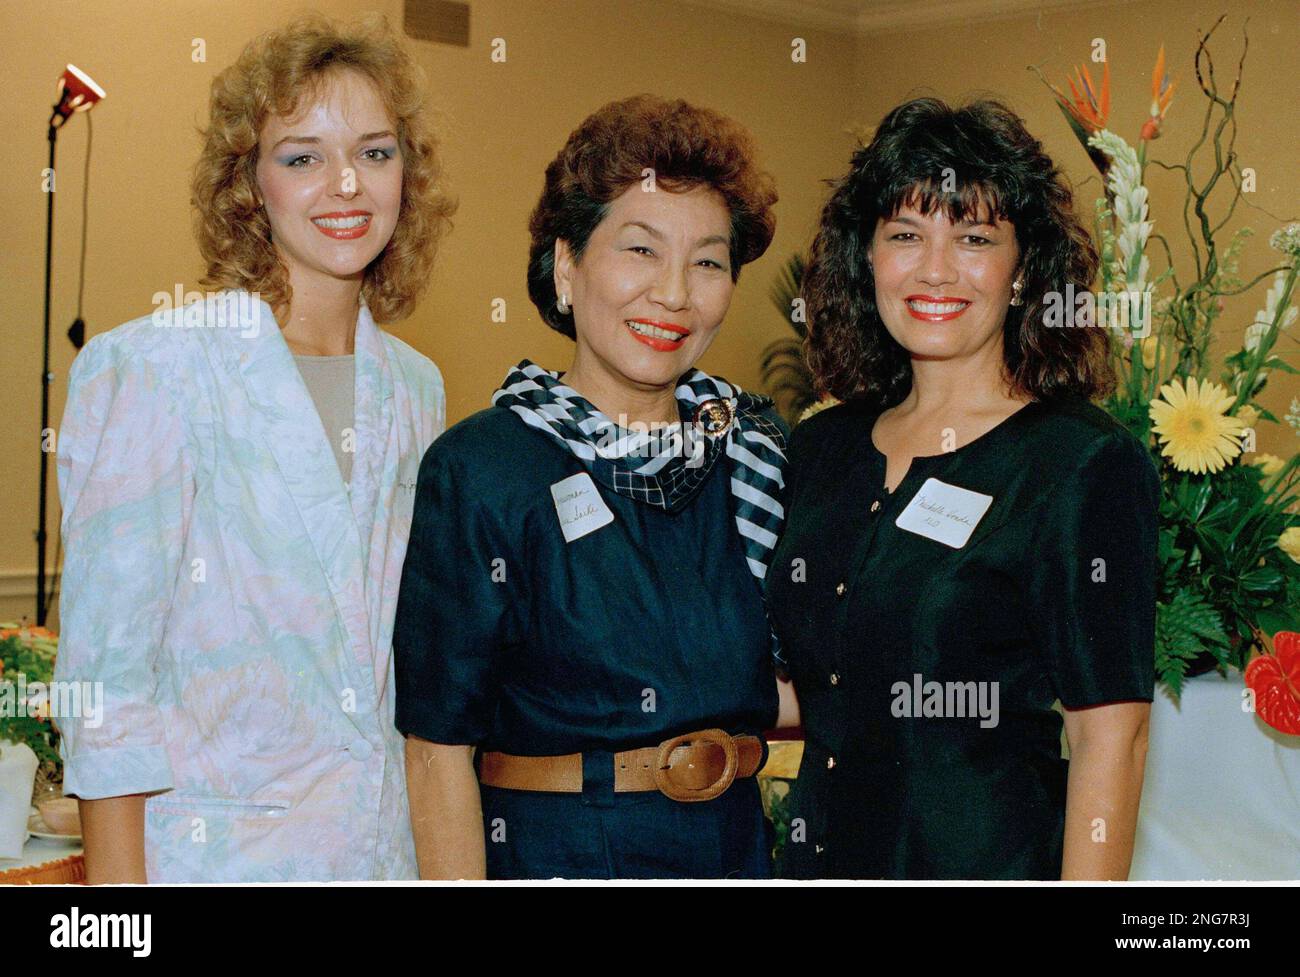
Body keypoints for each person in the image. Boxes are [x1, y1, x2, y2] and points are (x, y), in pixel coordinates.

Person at [52, 15, 455, 883]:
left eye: (375, 153)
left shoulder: (418, 388)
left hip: (382, 859)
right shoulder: (153, 368)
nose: (345, 184)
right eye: (302, 156)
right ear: (249, 183)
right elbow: (108, 698)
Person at [394, 94, 791, 879]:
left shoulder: (755, 460)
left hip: (738, 851)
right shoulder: (485, 469)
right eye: (640, 250)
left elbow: (800, 681)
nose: (675, 293)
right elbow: (438, 753)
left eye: (708, 260)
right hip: (558, 853)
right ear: (567, 266)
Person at [767, 97, 1157, 880]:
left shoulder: (1079, 464)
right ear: (867, 257)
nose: (935, 270)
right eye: (905, 236)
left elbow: (1109, 739)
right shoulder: (820, 448)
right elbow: (816, 686)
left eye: (974, 239)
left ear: (1022, 273)